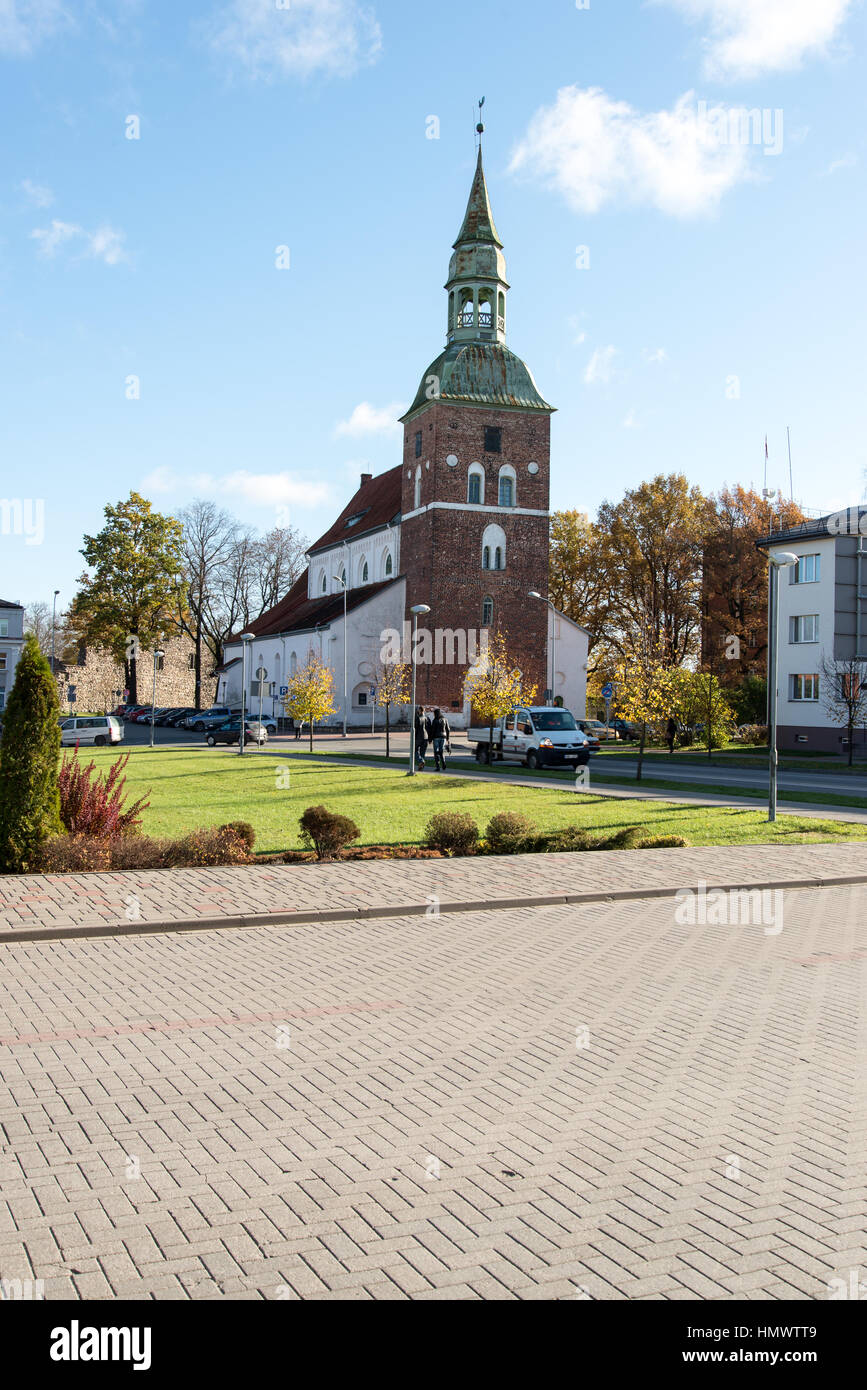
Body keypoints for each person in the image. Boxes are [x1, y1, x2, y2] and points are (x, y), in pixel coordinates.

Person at [414, 705, 430, 770]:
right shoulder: (427, 718)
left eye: (418, 710)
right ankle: (421, 767)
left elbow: (416, 728)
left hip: (419, 737)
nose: (417, 711)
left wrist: (414, 737)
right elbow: (428, 728)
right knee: (422, 753)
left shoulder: (418, 718)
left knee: (414, 751)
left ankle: (421, 761)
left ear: (420, 710)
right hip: (425, 737)